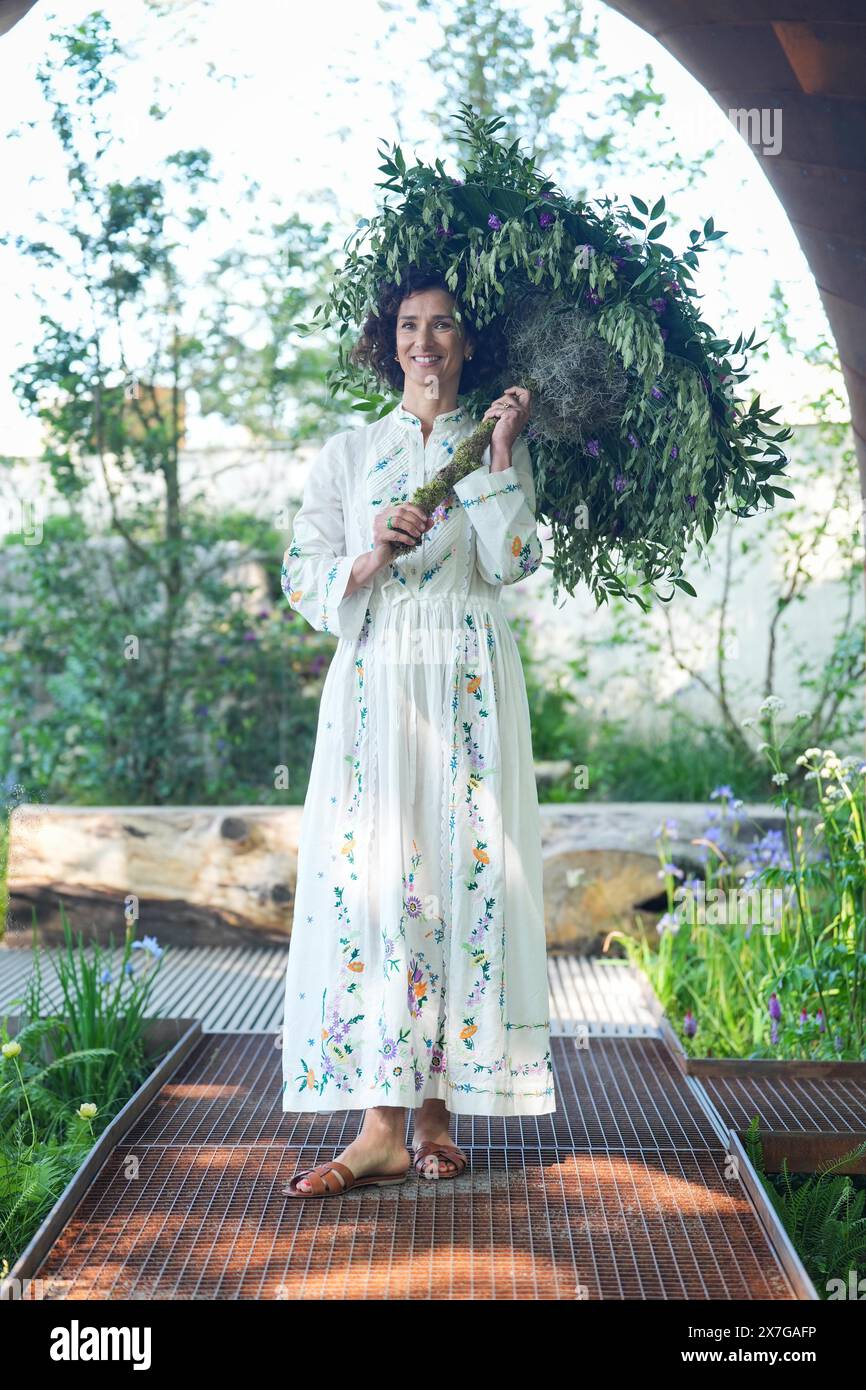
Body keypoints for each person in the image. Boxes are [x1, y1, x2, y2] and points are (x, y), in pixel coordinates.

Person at [280, 265, 556, 1198]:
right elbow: (299, 568)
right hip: (378, 684)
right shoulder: (350, 453)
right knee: (379, 885)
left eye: (443, 326)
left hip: (470, 681)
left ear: (468, 343)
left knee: (460, 878)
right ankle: (379, 1125)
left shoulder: (497, 443)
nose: (424, 341)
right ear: (388, 340)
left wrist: (499, 458)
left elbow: (513, 562)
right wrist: (369, 556)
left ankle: (440, 1113)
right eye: (409, 325)